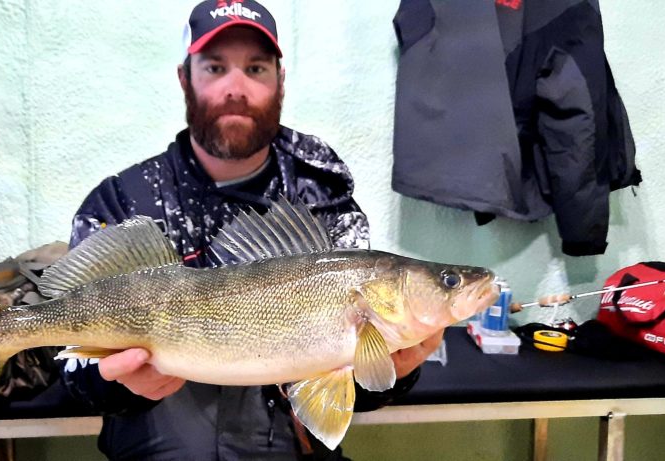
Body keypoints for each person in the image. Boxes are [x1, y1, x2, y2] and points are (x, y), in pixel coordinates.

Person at [59, 1, 444, 459]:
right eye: (215, 67)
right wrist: (118, 383)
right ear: (185, 78)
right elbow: (72, 371)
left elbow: (349, 387)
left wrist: (396, 370)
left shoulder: (320, 201)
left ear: (280, 80)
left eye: (256, 68)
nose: (236, 88)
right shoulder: (123, 202)